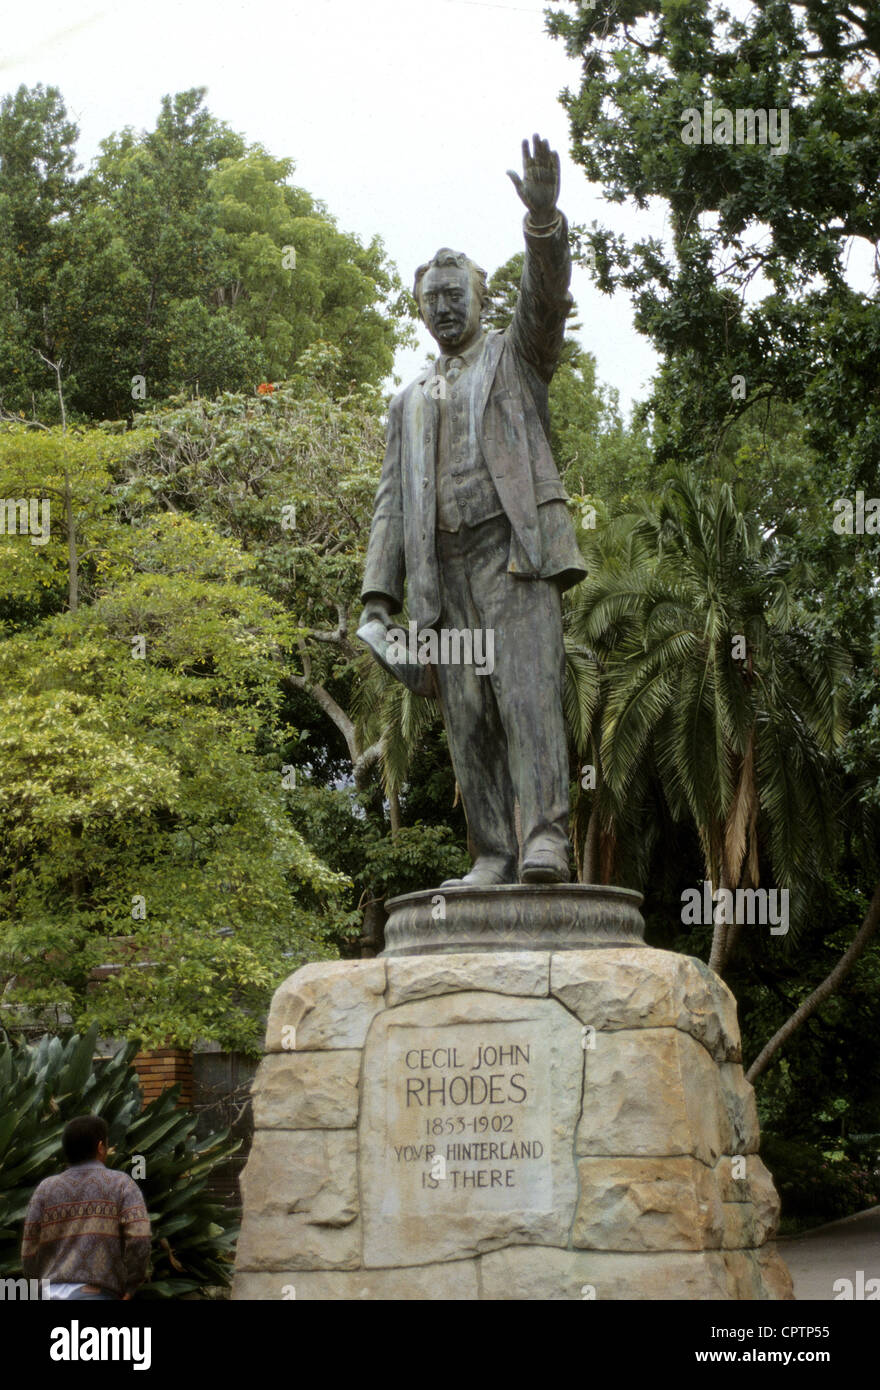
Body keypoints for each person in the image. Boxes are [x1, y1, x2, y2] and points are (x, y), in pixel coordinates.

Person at [359, 134, 586, 887]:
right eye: (432, 300)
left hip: (513, 559)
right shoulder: (408, 402)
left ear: (481, 299)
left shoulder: (516, 356)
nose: (444, 308)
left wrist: (544, 223)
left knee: (526, 699)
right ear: (420, 311)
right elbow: (392, 502)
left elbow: (547, 300)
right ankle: (492, 851)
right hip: (443, 580)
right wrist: (376, 601)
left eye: (456, 296)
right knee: (470, 719)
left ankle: (545, 839)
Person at [21, 1113, 151, 1301]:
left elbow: (29, 1249)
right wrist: (131, 1285)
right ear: (100, 1147)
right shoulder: (121, 1184)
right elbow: (140, 1238)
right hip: (97, 1293)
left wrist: (35, 1286)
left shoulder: (45, 1189)